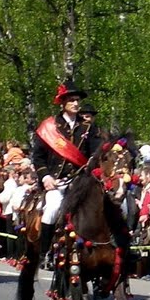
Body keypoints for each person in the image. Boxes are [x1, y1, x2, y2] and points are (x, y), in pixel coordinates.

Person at [30, 85, 101, 231]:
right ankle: (45, 252)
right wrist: (46, 177)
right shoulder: (49, 126)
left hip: (81, 180)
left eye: (77, 101)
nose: (76, 104)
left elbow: (96, 151)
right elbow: (38, 157)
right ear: (63, 103)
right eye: (72, 100)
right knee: (53, 208)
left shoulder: (88, 127)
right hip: (56, 181)